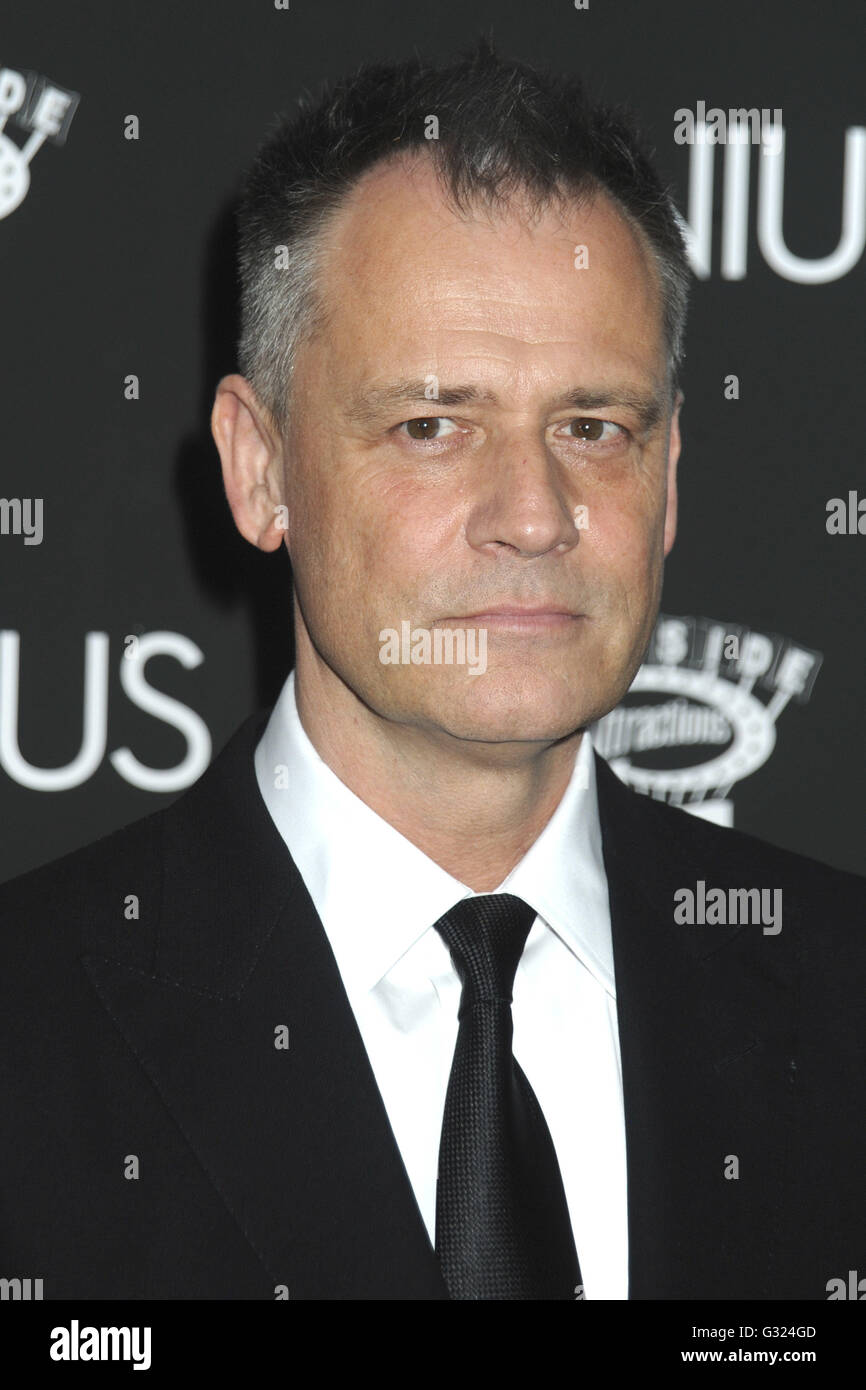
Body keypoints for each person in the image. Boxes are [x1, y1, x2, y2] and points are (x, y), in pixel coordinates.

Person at [1, 38, 863, 1302]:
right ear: (258, 469)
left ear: (669, 474)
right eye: (429, 425)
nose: (532, 512)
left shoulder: (838, 1000)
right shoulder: (29, 1033)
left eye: (591, 427)